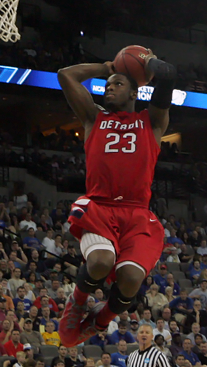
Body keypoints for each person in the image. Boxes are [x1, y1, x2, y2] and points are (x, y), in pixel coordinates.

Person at [55, 53, 177, 346]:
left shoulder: (153, 122)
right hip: (100, 205)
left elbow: (168, 81)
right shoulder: (93, 117)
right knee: (101, 261)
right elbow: (65, 74)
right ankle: (78, 301)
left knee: (131, 281)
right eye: (106, 85)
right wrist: (106, 68)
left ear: (135, 92)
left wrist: (151, 66)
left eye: (118, 83)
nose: (109, 87)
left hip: (136, 213)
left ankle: (99, 321)